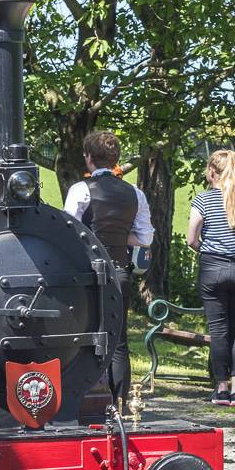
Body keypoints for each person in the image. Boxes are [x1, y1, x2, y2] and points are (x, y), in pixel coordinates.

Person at [63, 130, 153, 406]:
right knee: (118, 341)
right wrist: (120, 234)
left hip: (86, 274)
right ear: (116, 159)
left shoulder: (80, 190)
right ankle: (120, 405)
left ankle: (84, 400)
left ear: (89, 158)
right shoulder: (134, 193)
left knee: (81, 336)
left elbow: (69, 231)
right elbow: (146, 239)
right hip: (119, 272)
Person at [185, 149, 235, 406]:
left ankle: (220, 389)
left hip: (213, 267)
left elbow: (191, 239)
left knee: (218, 331)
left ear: (211, 172)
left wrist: (207, 247)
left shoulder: (203, 200)